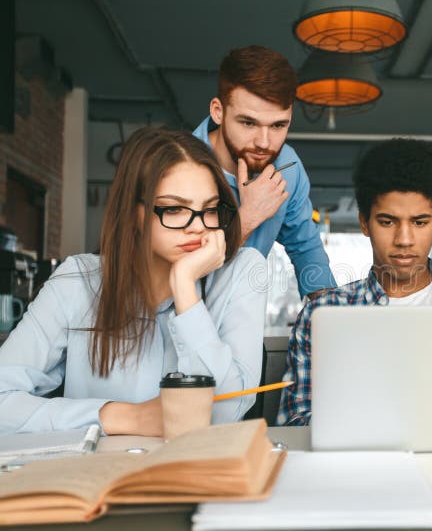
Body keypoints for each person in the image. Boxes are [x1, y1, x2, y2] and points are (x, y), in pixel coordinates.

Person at [0, 128, 268, 435]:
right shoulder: (77, 281)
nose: (198, 227)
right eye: (174, 209)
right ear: (133, 212)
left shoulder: (241, 273)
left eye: (209, 209)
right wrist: (122, 417)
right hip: (97, 476)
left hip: (194, 471)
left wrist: (184, 288)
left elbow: (225, 411)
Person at [277, 139, 432, 426]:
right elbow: (294, 421)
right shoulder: (324, 315)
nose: (404, 239)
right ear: (365, 222)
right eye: (387, 222)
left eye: (419, 222)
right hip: (362, 468)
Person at [193, 45, 336, 298]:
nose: (264, 142)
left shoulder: (288, 166)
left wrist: (331, 316)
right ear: (218, 111)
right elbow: (172, 274)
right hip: (178, 325)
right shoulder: (176, 166)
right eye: (248, 123)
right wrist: (246, 219)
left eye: (279, 125)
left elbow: (305, 247)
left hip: (245, 325)